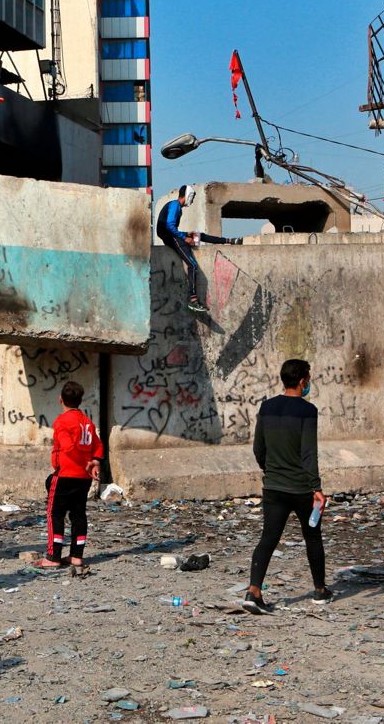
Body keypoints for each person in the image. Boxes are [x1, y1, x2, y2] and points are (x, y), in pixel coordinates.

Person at [243, 358, 329, 614]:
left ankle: (254, 590)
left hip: (274, 487)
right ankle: (320, 590)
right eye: (308, 379)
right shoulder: (307, 410)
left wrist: (269, 470)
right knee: (312, 537)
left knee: (268, 537)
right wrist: (316, 487)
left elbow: (259, 448)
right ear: (302, 380)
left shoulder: (267, 407)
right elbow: (308, 453)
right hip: (302, 488)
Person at [35, 381, 103, 571]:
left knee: (54, 514)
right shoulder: (87, 423)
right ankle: (76, 556)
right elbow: (97, 445)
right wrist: (95, 461)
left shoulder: (62, 421)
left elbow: (68, 447)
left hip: (65, 474)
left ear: (61, 400)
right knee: (78, 514)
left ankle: (53, 557)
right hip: (84, 478)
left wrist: (85, 462)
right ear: (80, 401)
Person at [155, 184, 240, 314]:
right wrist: (184, 238)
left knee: (199, 235)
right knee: (193, 265)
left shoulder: (176, 207)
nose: (192, 201)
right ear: (187, 195)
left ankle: (228, 241)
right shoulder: (175, 205)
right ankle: (192, 300)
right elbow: (169, 225)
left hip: (172, 235)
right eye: (192, 198)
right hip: (171, 237)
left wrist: (186, 235)